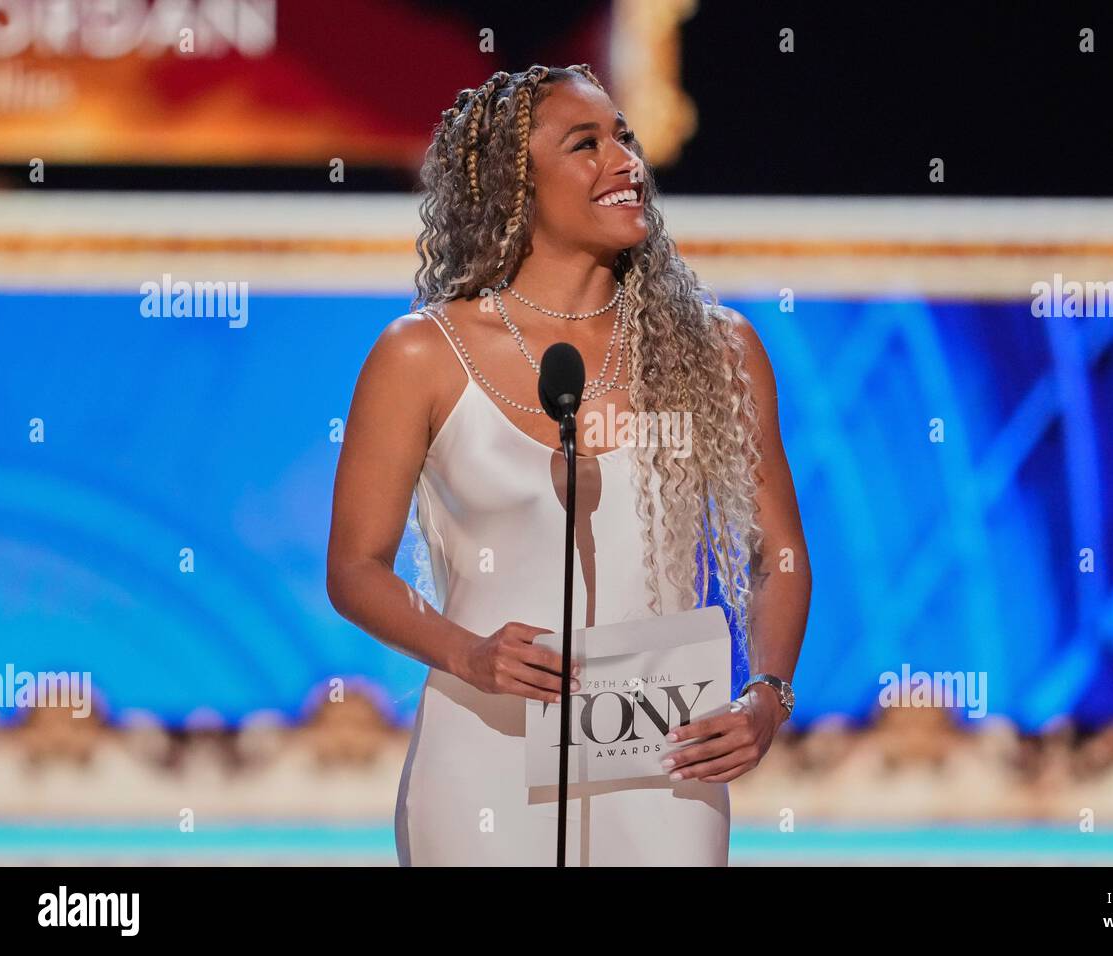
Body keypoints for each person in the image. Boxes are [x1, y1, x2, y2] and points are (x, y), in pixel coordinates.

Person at [326, 64, 811, 866]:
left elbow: (781, 557)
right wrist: (467, 653)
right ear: (514, 185)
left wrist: (768, 697)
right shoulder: (421, 354)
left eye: (624, 138)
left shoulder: (718, 350)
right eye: (585, 144)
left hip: (667, 763)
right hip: (485, 754)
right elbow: (355, 568)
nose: (625, 162)